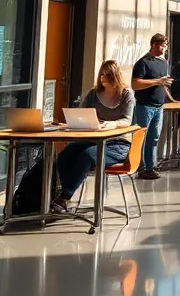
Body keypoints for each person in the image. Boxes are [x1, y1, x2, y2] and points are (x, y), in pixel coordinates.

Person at [53, 60, 135, 212]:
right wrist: (75, 121)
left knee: (87, 156)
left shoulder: (126, 94)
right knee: (66, 153)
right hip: (94, 139)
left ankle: (65, 196)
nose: (103, 78)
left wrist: (111, 124)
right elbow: (82, 113)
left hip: (118, 143)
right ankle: (63, 193)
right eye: (102, 74)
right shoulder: (93, 94)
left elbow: (127, 120)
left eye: (108, 75)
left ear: (115, 76)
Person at [131, 33, 173, 180]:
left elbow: (163, 83)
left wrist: (169, 95)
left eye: (166, 45)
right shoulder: (143, 63)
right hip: (145, 106)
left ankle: (151, 166)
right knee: (141, 137)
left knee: (154, 138)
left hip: (159, 106)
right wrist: (157, 82)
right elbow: (135, 84)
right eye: (163, 45)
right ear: (154, 45)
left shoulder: (163, 63)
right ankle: (141, 167)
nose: (165, 48)